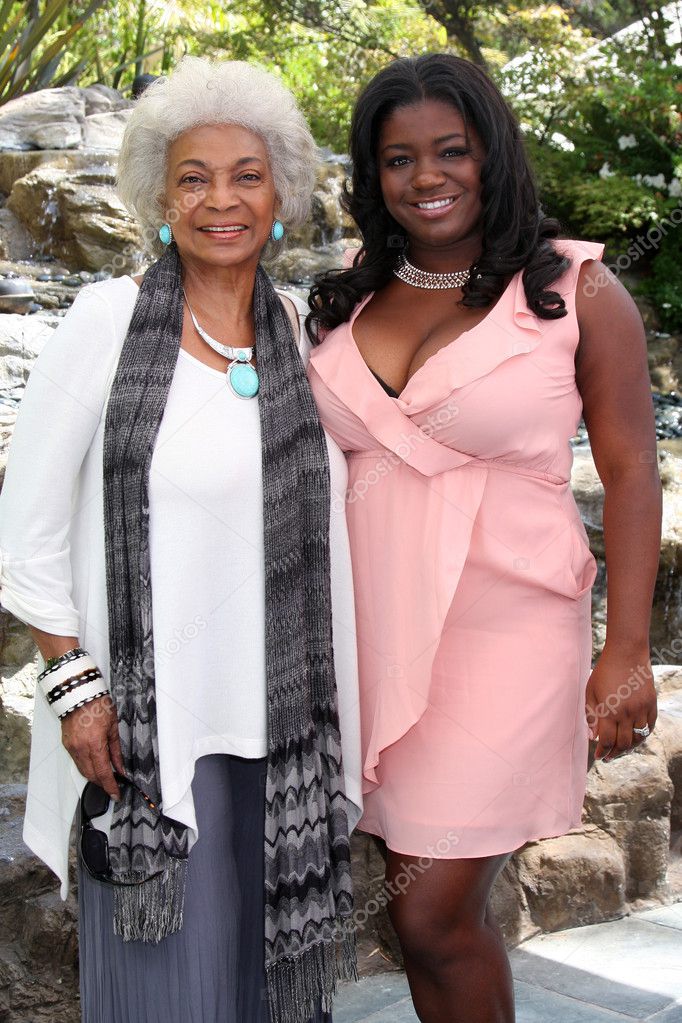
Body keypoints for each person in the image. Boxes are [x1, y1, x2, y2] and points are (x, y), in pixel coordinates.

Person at [0, 56, 363, 1023]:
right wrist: (76, 690)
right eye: (194, 178)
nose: (221, 200)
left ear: (279, 192)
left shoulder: (296, 330)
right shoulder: (104, 321)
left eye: (246, 174)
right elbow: (23, 529)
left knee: (266, 993)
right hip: (150, 741)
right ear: (160, 198)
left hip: (283, 741)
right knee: (167, 995)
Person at [306, 53, 661, 1023]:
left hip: (505, 633)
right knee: (419, 915)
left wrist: (624, 652)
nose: (427, 176)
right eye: (398, 159)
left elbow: (632, 472)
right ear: (371, 176)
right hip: (371, 630)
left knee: (431, 911)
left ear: (491, 154)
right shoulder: (350, 292)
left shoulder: (578, 291)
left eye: (451, 151)